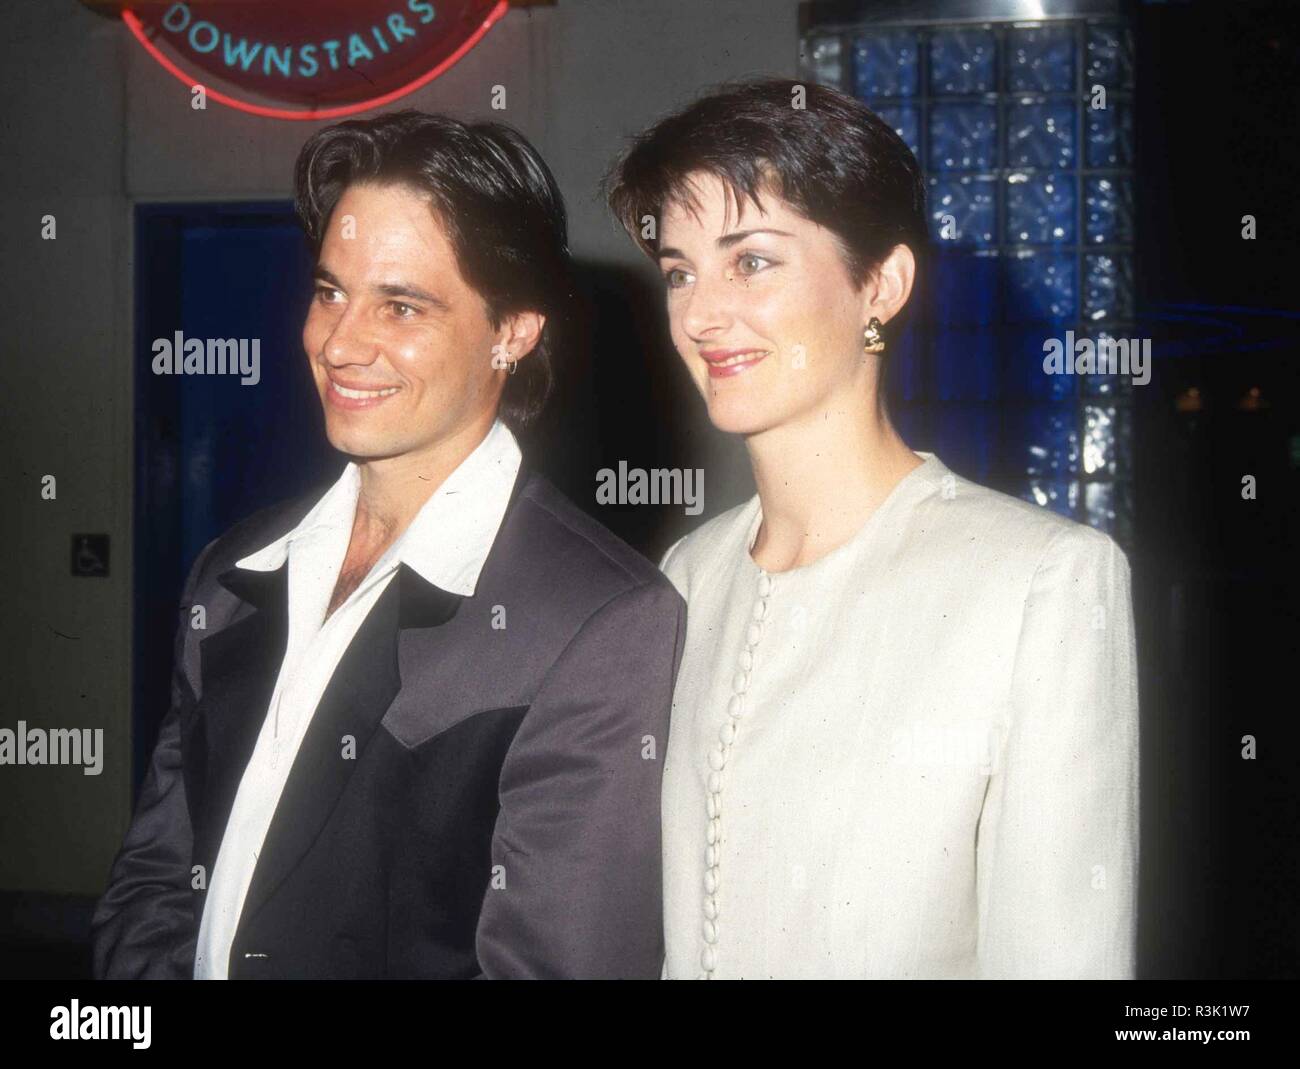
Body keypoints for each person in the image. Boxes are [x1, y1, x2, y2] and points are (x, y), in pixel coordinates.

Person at [92, 110, 684, 980]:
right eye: (331, 290)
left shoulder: (596, 621)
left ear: (512, 332)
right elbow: (151, 881)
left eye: (400, 305)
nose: (340, 343)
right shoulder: (236, 570)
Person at [605, 78, 1139, 979]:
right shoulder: (687, 575)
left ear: (880, 286)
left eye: (754, 261)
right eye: (681, 271)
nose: (700, 313)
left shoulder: (1041, 580)